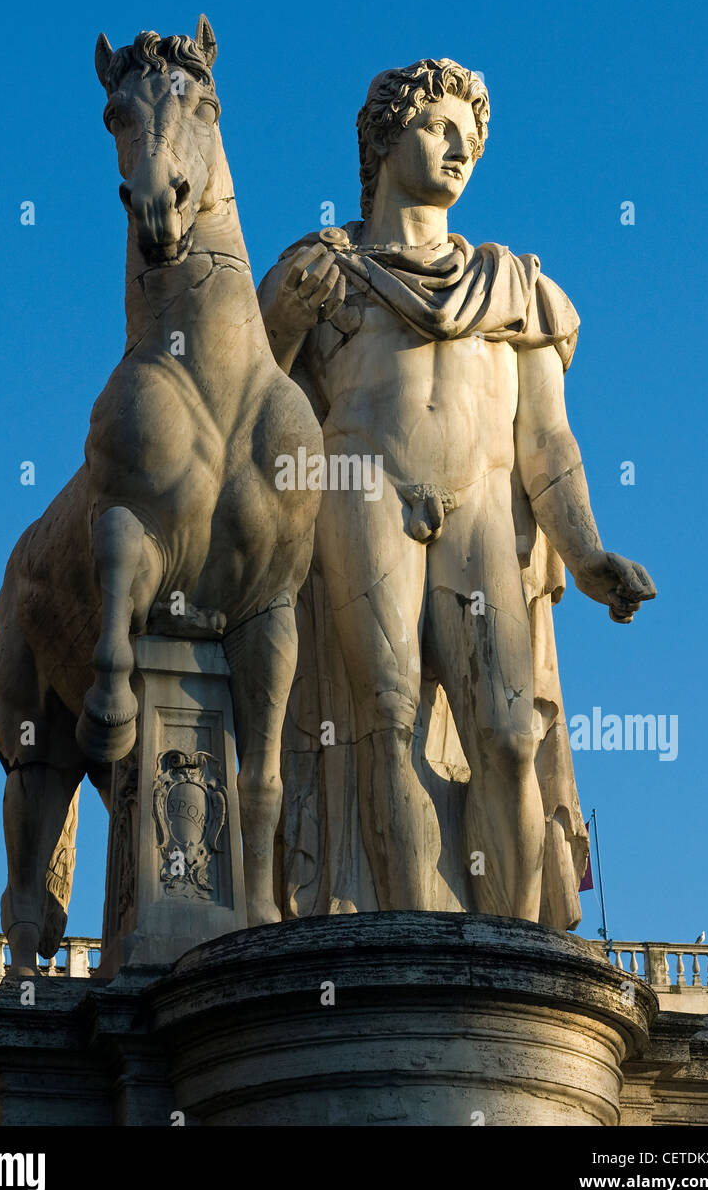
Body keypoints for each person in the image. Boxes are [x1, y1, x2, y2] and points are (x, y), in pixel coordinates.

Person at [258, 58, 656, 923]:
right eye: (439, 128)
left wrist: (586, 552)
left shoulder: (514, 285)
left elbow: (547, 440)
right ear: (384, 137)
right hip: (362, 486)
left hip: (481, 505)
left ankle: (511, 951)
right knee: (386, 720)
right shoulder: (318, 274)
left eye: (471, 139)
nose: (460, 149)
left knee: (509, 737)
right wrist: (280, 329)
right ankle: (408, 940)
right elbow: (252, 419)